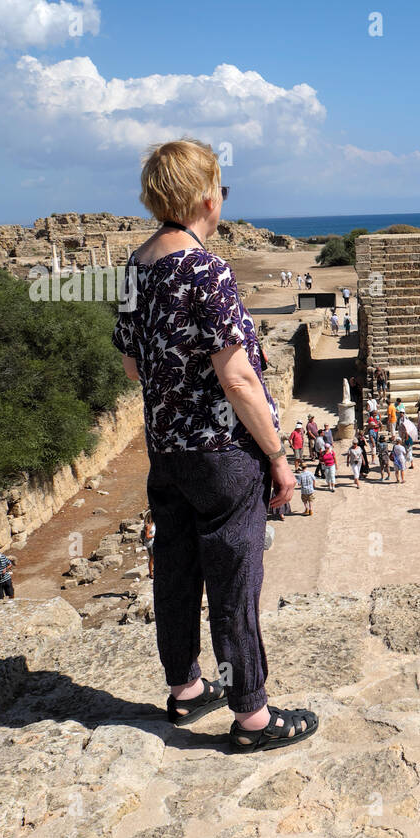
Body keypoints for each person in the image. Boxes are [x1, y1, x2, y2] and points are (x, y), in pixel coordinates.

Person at [114, 138, 315, 752]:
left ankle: (185, 689)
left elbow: (131, 365)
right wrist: (279, 456)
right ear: (207, 196)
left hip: (167, 452)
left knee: (175, 571)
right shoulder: (205, 268)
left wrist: (174, 390)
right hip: (223, 454)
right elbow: (237, 377)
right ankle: (252, 716)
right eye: (222, 189)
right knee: (233, 582)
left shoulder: (135, 267)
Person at [140, 513, 157, 578]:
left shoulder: (154, 524)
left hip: (153, 542)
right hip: (150, 543)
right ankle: (151, 573)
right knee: (152, 558)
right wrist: (154, 536)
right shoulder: (148, 526)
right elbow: (147, 535)